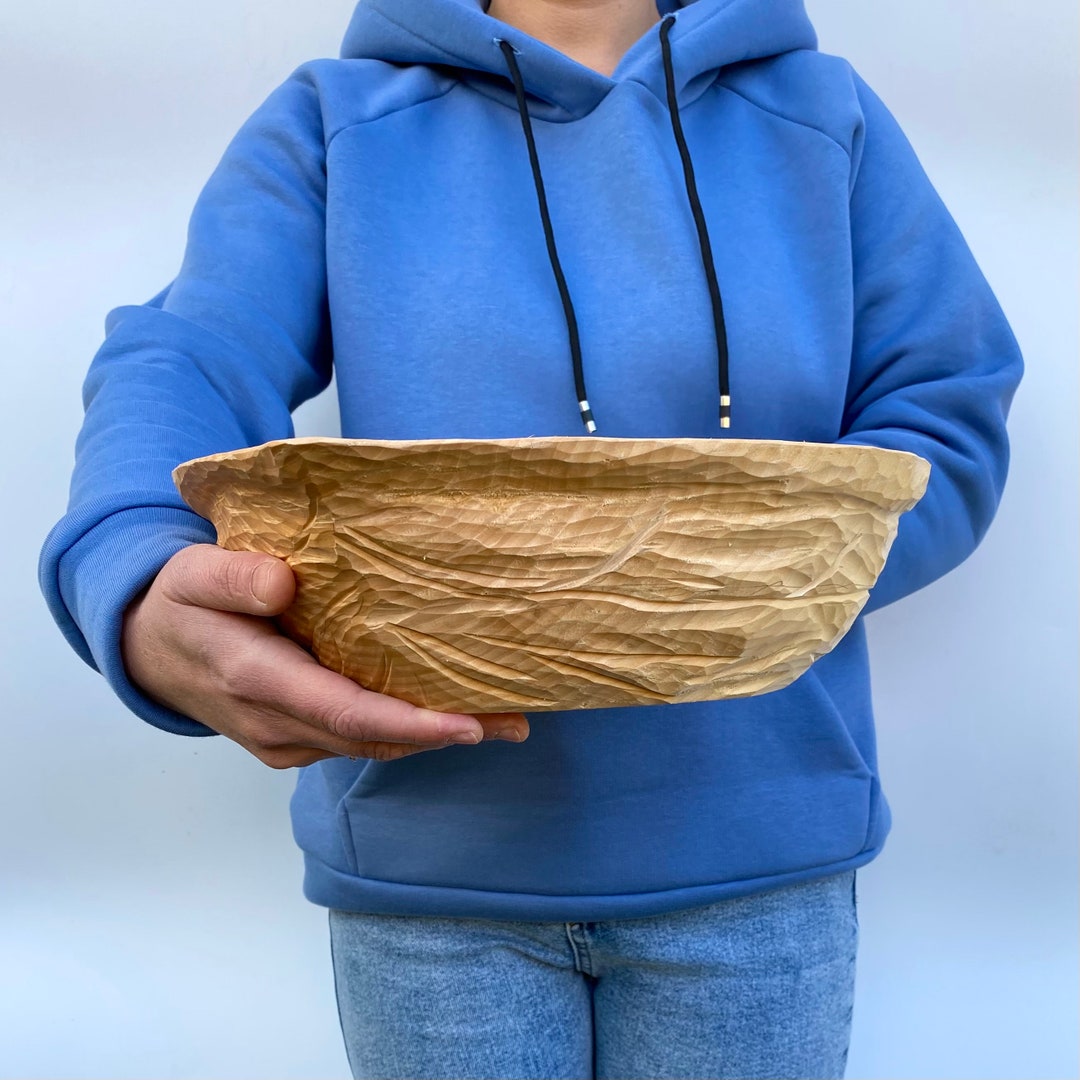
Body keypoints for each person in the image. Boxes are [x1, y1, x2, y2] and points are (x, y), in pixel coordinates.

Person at [38, 0, 1023, 1075]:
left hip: (758, 871)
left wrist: (735, 582)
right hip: (434, 885)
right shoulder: (336, 122)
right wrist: (132, 571)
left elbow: (945, 405)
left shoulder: (823, 117)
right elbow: (184, 359)